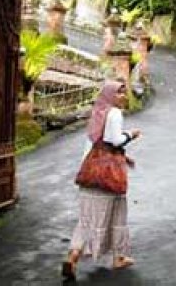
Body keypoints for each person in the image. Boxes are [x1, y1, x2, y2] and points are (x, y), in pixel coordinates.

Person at [62, 79, 142, 281]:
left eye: (124, 92)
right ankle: (118, 257)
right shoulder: (114, 113)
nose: (123, 96)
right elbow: (115, 140)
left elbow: (94, 145)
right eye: (119, 93)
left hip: (91, 172)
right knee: (116, 213)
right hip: (109, 175)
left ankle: (73, 256)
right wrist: (130, 135)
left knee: (87, 218)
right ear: (110, 96)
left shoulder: (98, 113)